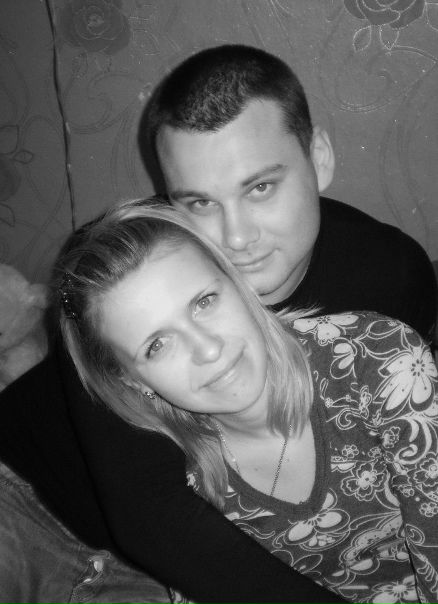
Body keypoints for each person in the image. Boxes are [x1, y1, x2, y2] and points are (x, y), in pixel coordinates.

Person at [55, 199, 438, 603]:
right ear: (132, 381)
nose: (208, 349)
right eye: (158, 345)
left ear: (239, 283)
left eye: (204, 301)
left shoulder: (376, 358)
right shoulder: (176, 489)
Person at [140, 44, 437, 343]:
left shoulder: (395, 277)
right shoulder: (135, 285)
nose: (237, 238)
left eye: (260, 188)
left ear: (318, 158)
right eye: (202, 202)